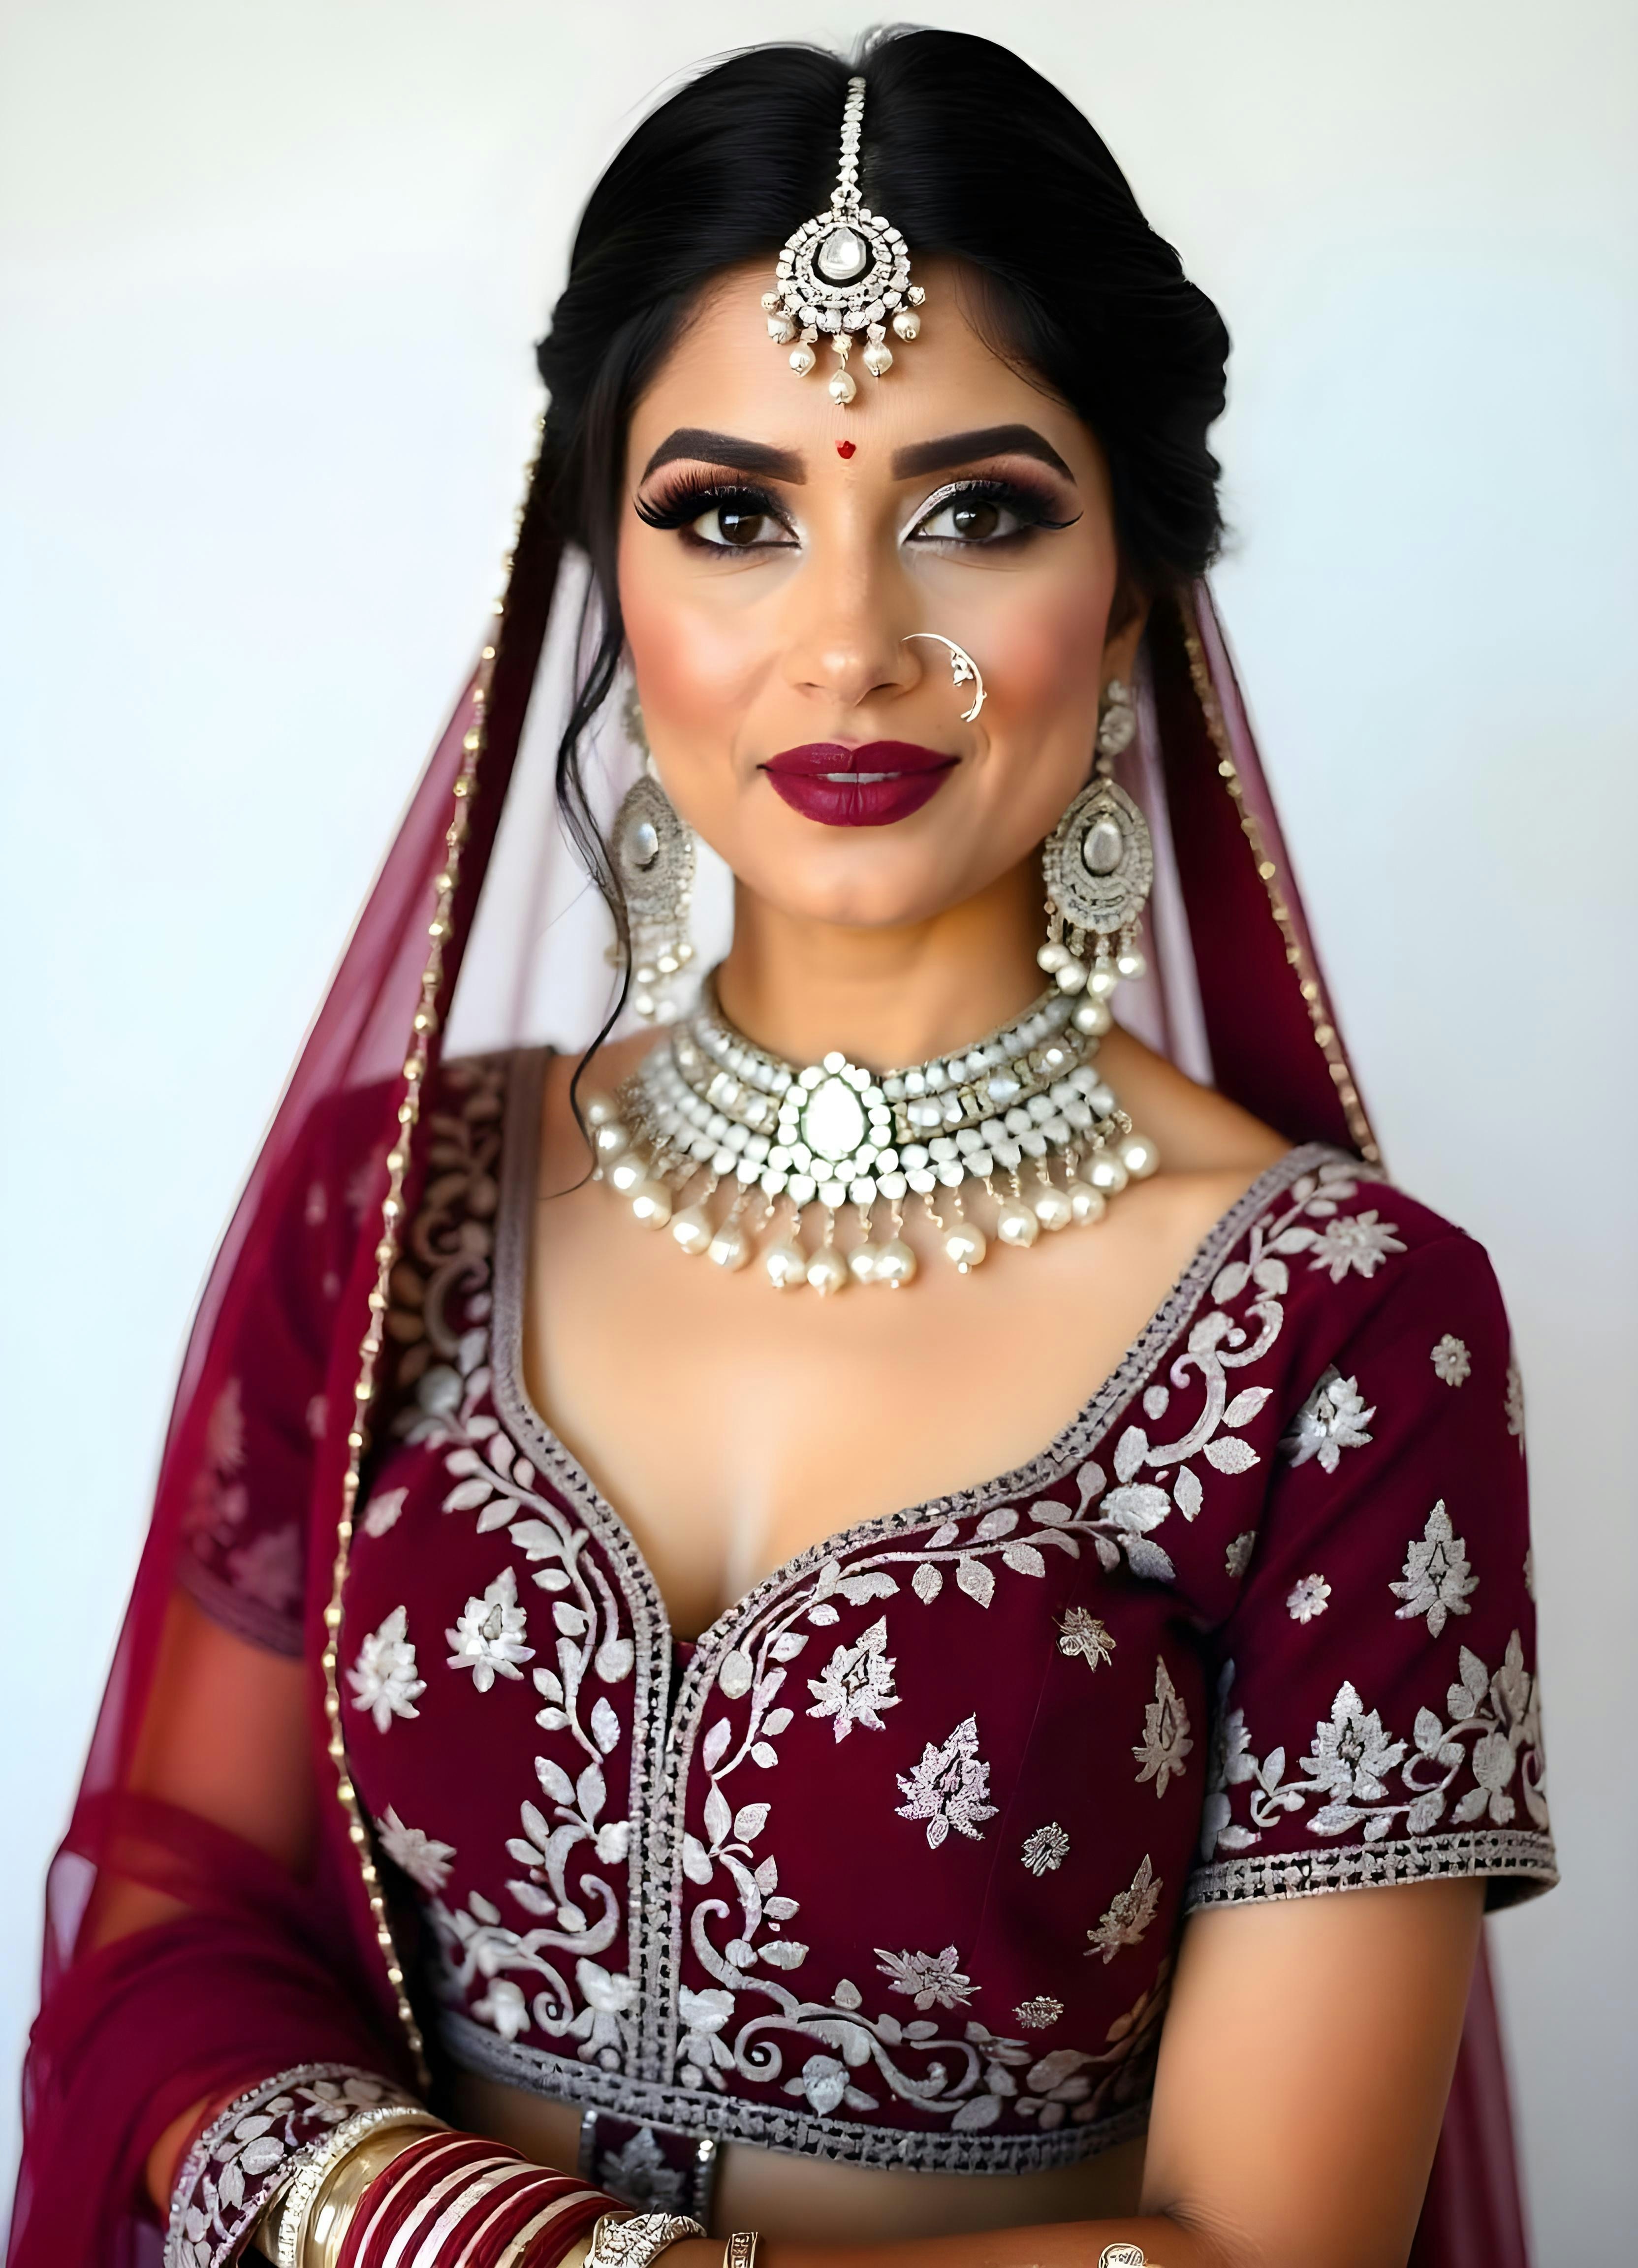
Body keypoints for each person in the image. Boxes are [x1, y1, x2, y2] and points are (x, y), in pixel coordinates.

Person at [10, 29, 1554, 2268]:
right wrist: (452, 2221)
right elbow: (168, 1922)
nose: (847, 645)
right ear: (601, 579)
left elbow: (1267, 2248)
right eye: (731, 516)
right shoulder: (396, 1213)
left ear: (1126, 583)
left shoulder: (1344, 1325)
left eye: (980, 511)